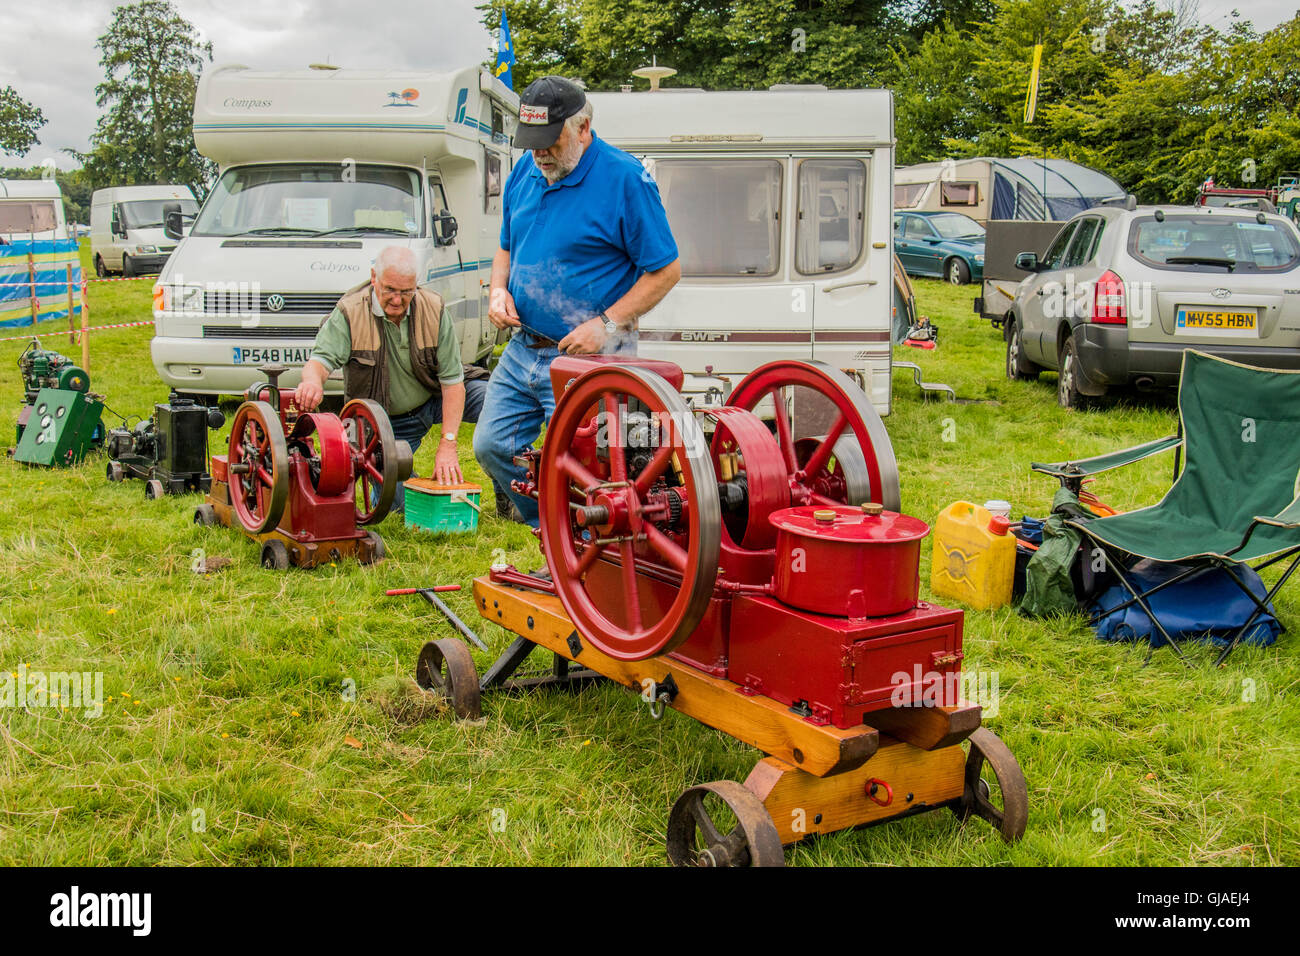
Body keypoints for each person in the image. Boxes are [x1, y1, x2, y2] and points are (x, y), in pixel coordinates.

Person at [473, 76, 681, 527]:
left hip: (593, 359)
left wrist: (606, 324)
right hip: (522, 348)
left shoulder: (626, 179)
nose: (539, 153)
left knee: (591, 469)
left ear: (583, 128)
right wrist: (497, 289)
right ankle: (552, 527)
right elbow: (506, 248)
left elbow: (666, 271)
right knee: (492, 446)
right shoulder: (524, 173)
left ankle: (578, 543)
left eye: (550, 141)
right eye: (531, 142)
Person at [295, 245, 489, 510]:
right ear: (374, 277)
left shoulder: (433, 307)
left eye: (406, 292)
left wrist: (448, 444)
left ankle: (507, 495)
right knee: (399, 506)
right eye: (390, 290)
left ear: (416, 285)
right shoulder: (349, 311)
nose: (397, 300)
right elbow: (319, 362)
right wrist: (312, 382)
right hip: (383, 424)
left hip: (432, 399)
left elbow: (452, 381)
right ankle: (400, 486)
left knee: (495, 401)